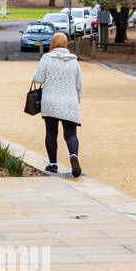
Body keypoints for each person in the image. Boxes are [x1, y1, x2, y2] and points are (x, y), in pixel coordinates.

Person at [32, 32, 83, 177]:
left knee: (51, 133)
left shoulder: (47, 59)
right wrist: (77, 100)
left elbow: (38, 78)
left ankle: (53, 164)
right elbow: (79, 84)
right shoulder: (74, 61)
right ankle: (73, 155)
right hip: (69, 102)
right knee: (71, 134)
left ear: (53, 43)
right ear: (66, 43)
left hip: (51, 102)